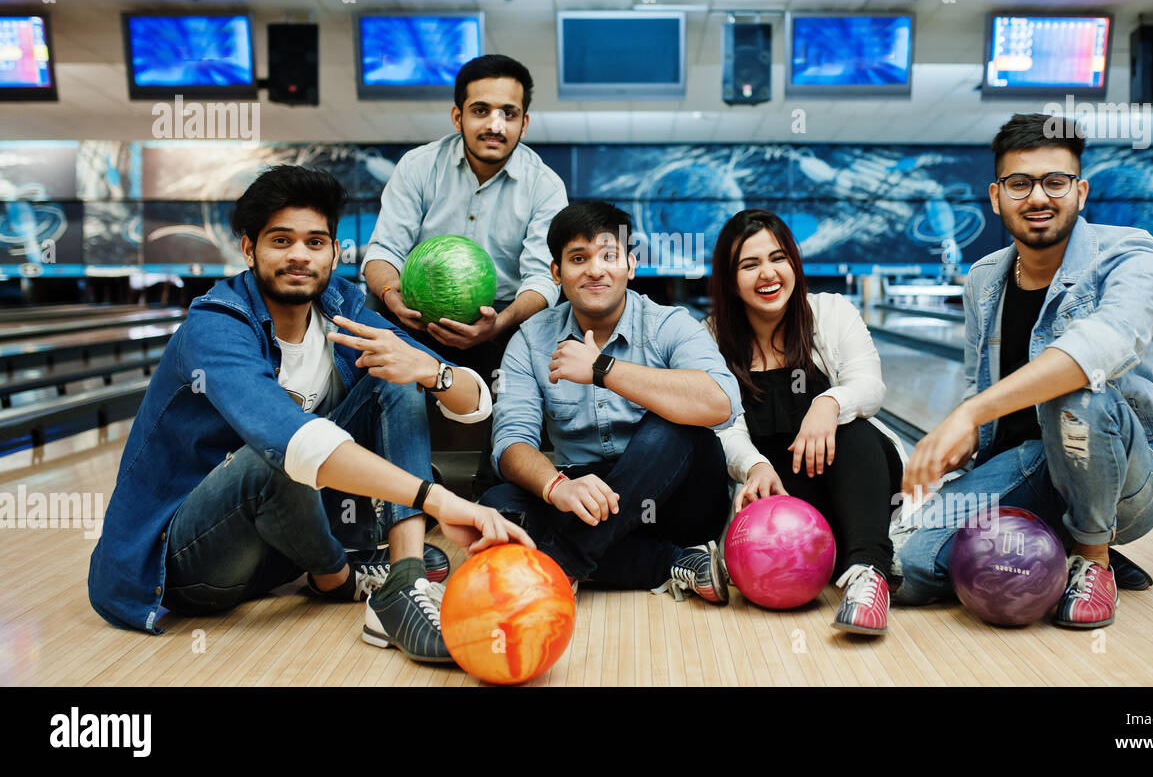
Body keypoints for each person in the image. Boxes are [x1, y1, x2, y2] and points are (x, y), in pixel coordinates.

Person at [89, 166, 532, 665]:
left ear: (335, 252)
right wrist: (441, 501)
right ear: (248, 248)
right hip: (189, 560)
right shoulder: (216, 325)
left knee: (395, 372)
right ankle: (338, 577)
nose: (300, 254)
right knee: (271, 456)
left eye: (315, 242)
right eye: (282, 240)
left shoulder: (343, 305)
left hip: (279, 547)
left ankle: (402, 585)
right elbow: (292, 442)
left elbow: (475, 404)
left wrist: (435, 371)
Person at [895, 114, 1153, 628]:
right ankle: (1057, 541)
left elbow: (1102, 344)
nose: (1039, 197)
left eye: (1055, 182)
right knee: (916, 567)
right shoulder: (983, 279)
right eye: (1020, 183)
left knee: (1078, 394)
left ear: (1081, 191)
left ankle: (1095, 559)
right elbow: (976, 383)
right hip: (1023, 464)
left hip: (1124, 481)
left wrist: (969, 413)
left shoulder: (1132, 254)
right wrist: (968, 435)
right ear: (997, 195)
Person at [481, 201, 742, 603]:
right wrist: (557, 486)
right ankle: (675, 562)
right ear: (556, 273)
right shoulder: (531, 339)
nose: (595, 270)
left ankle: (562, 561)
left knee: (672, 425)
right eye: (578, 258)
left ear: (631, 265)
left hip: (673, 500)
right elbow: (510, 444)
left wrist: (603, 369)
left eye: (609, 255)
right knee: (497, 508)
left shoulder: (668, 323)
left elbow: (720, 401)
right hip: (583, 496)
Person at [361, 53, 569, 495]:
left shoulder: (544, 184)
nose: (495, 124)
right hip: (412, 308)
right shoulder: (418, 166)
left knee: (541, 331)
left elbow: (543, 279)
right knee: (367, 314)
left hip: (500, 316)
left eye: (508, 113)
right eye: (481, 110)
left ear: (524, 123)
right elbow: (384, 251)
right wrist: (393, 295)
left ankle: (497, 482)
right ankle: (395, 480)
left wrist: (500, 323)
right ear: (458, 115)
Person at [706, 209, 907, 634]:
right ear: (729, 278)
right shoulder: (712, 338)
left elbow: (869, 386)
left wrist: (829, 403)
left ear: (794, 263)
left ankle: (869, 574)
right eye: (749, 264)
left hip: (852, 476)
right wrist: (754, 466)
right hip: (780, 496)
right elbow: (723, 426)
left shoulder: (831, 312)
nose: (768, 274)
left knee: (853, 429)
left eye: (778, 258)